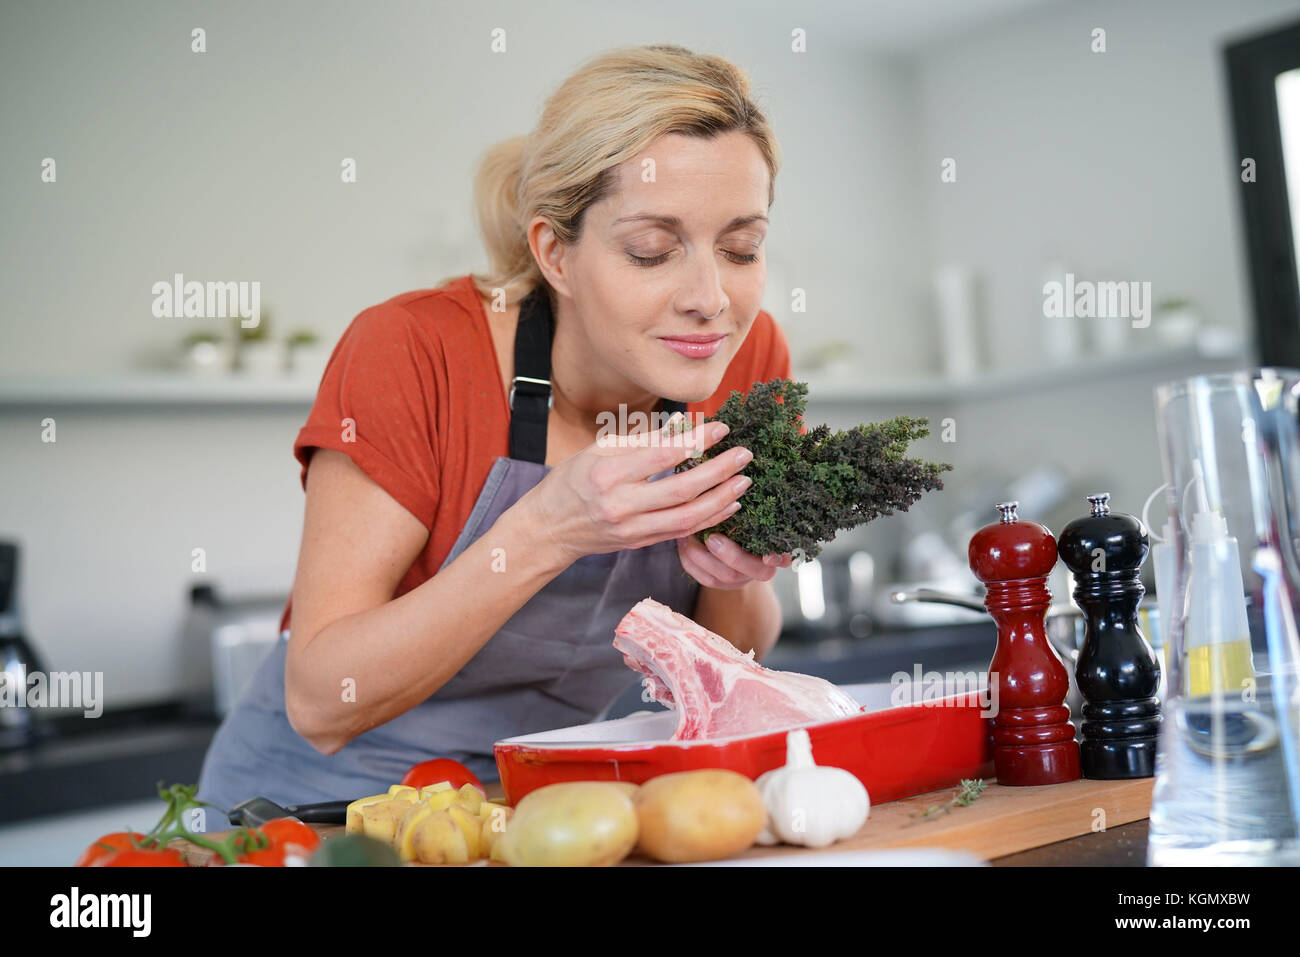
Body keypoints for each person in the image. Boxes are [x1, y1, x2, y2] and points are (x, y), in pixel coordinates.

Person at [196, 43, 794, 818]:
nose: (711, 298)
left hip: (531, 804)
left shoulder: (744, 358)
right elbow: (319, 697)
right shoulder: (410, 352)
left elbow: (738, 653)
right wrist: (548, 529)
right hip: (316, 810)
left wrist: (737, 575)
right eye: (653, 250)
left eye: (741, 247)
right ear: (556, 253)